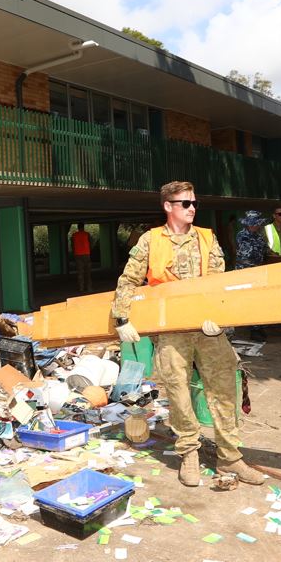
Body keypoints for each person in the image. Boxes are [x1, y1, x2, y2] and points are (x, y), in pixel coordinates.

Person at [112, 181, 264, 488]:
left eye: (194, 203)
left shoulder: (207, 238)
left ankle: (230, 456)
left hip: (208, 330)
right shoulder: (151, 240)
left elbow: (220, 283)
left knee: (224, 389)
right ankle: (189, 453)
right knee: (178, 392)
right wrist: (122, 318)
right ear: (168, 206)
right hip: (171, 331)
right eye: (185, 203)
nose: (192, 208)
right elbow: (128, 280)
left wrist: (221, 320)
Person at [234, 210, 270, 342]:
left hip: (257, 271)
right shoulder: (242, 236)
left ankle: (259, 326)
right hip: (245, 272)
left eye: (257, 224)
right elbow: (247, 254)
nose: (255, 226)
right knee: (250, 300)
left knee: (259, 300)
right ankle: (254, 329)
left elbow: (265, 249)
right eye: (253, 224)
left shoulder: (259, 236)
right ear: (248, 224)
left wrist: (272, 254)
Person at [71, 223, 93, 293]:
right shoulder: (87, 234)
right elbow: (91, 244)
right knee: (88, 272)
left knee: (80, 272)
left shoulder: (74, 235)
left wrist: (74, 253)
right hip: (86, 254)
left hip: (78, 255)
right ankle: (89, 288)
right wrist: (89, 251)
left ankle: (81, 288)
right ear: (83, 227)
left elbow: (72, 245)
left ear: (78, 227)